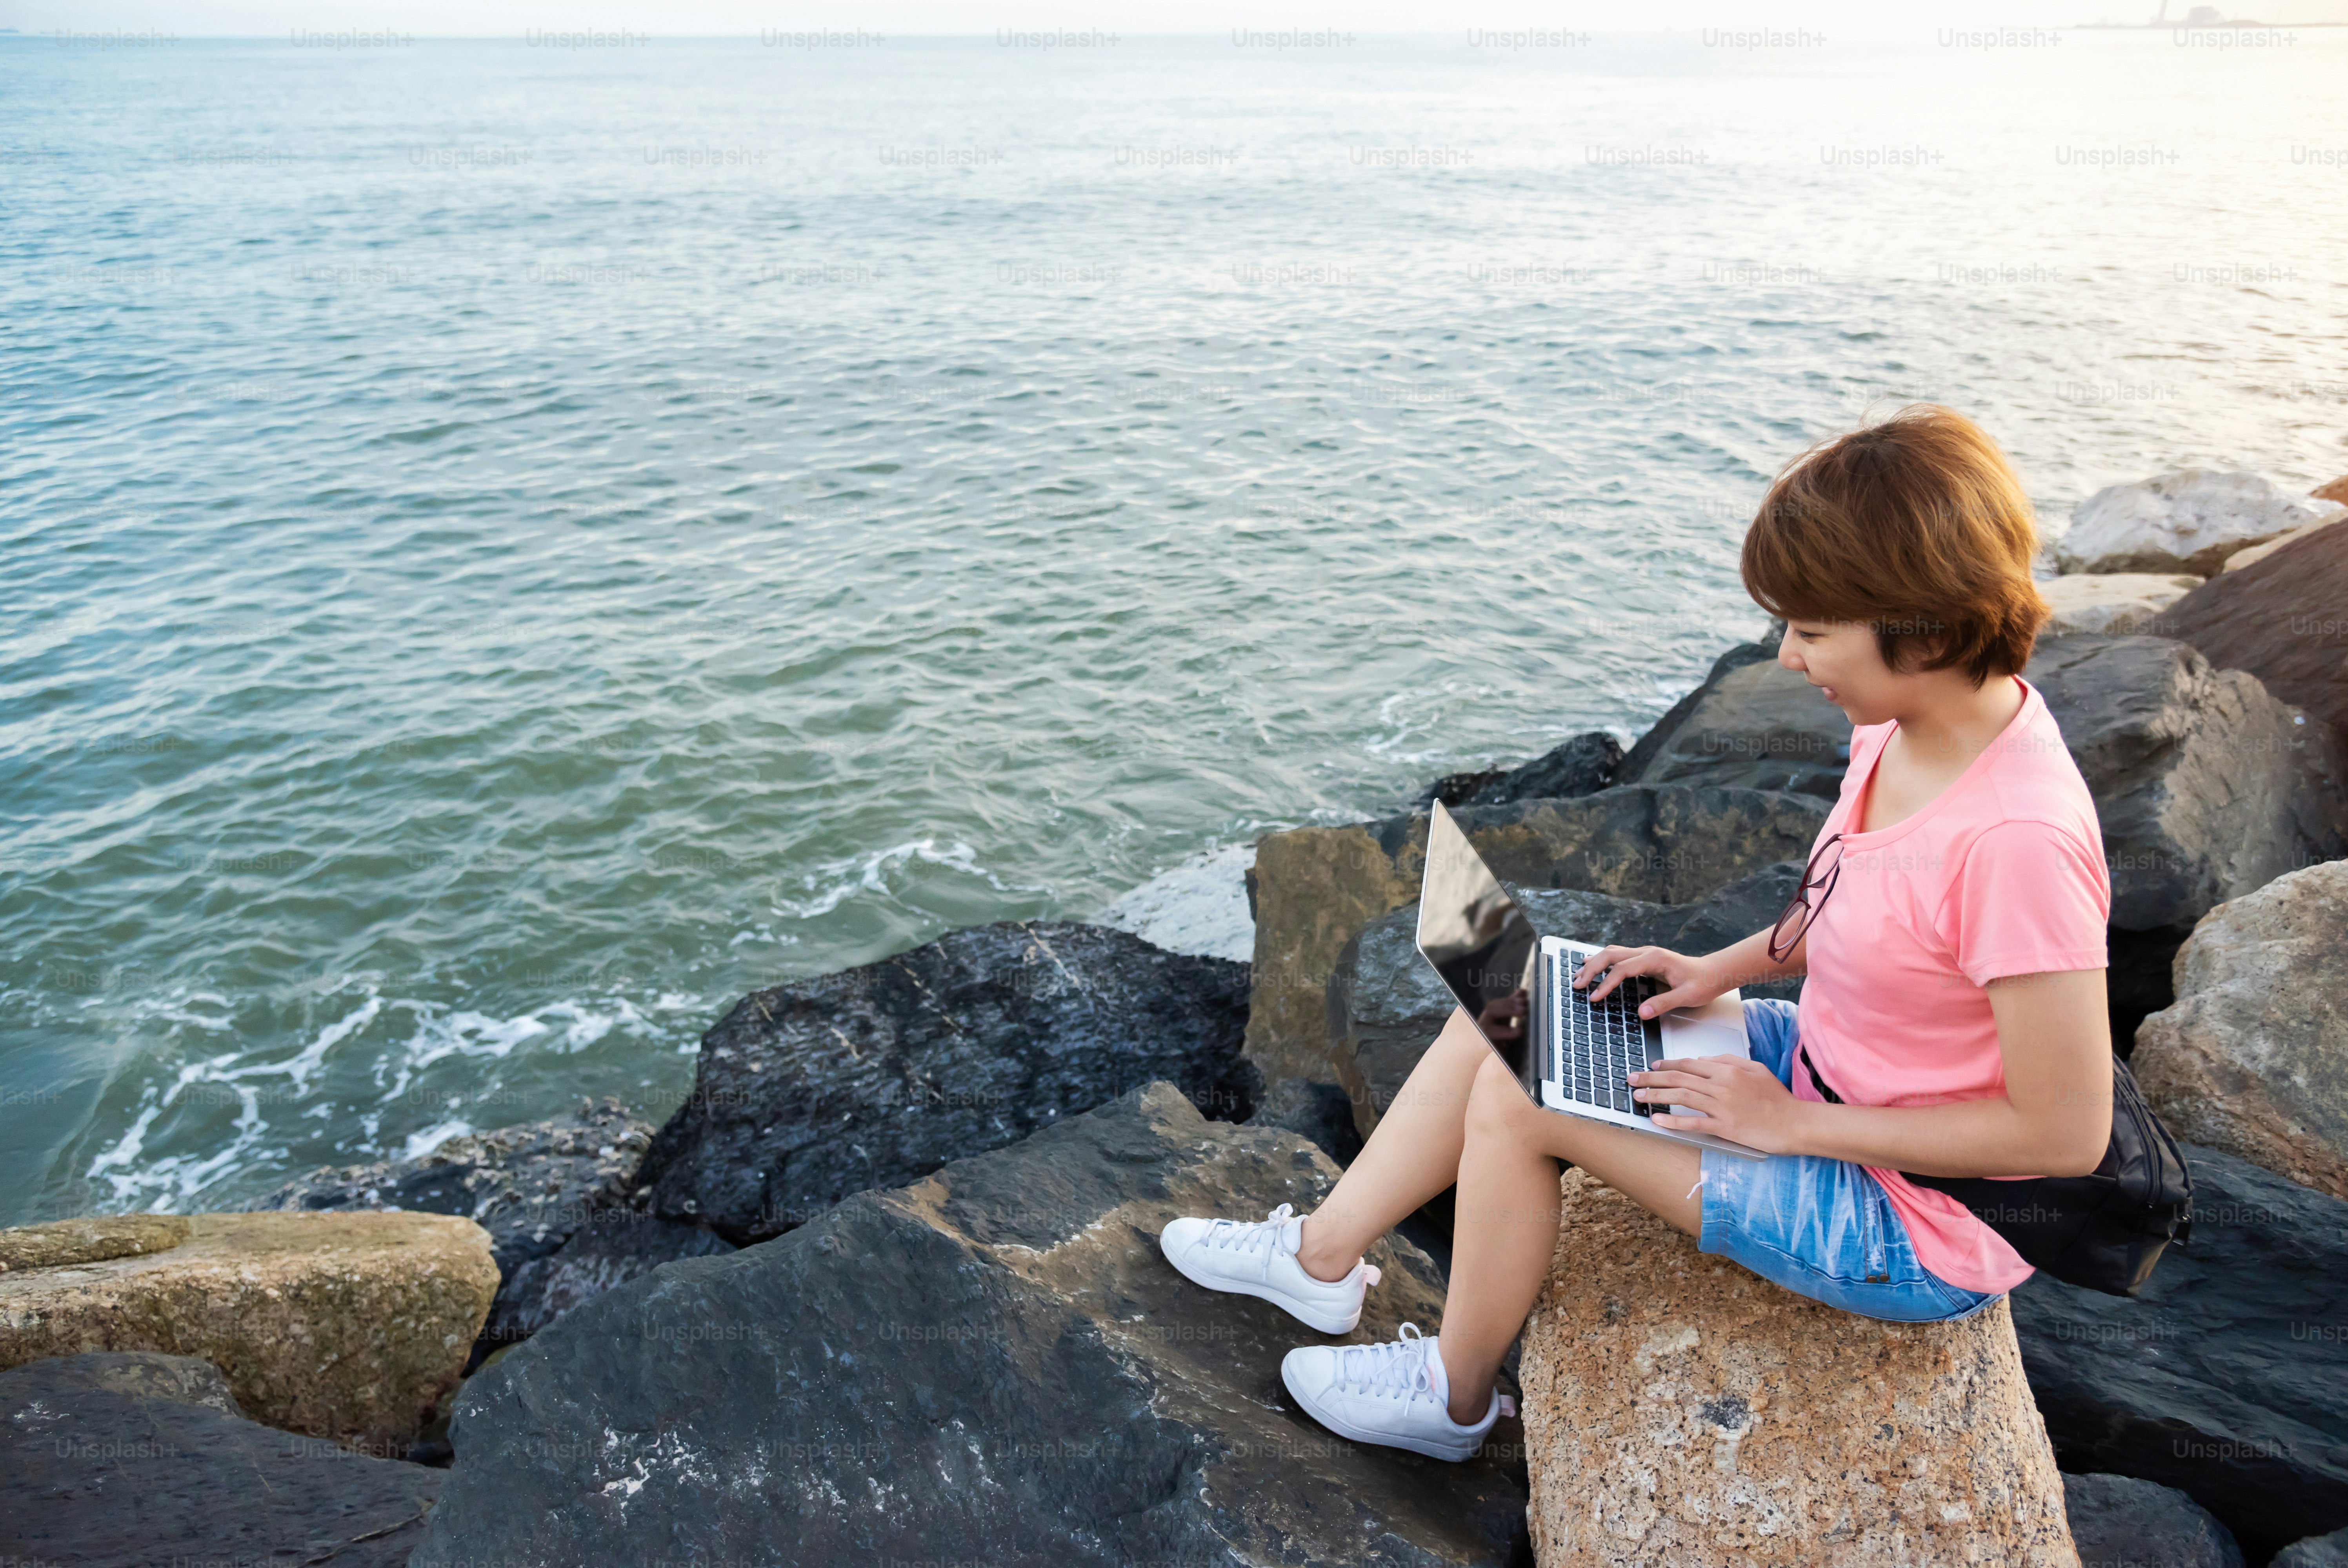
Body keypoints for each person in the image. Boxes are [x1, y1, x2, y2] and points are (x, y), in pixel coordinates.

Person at [1158, 404, 2116, 1461]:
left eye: (1810, 630)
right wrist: (1714, 969)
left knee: (1523, 1108)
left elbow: (2063, 1132)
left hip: (1914, 1219)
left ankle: (1453, 1397)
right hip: (1822, 1073)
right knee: (1509, 1001)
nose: (1788, 658)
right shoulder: (1902, 724)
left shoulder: (2018, 840)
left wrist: (1791, 1127)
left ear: (1926, 631)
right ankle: (1320, 1259)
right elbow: (1850, 894)